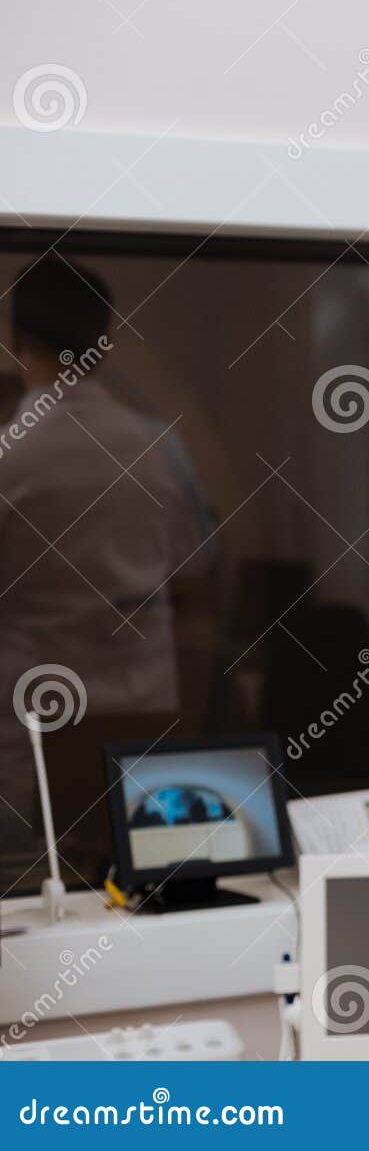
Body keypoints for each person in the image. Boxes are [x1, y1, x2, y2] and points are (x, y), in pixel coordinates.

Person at [0, 255, 216, 892]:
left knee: (36, 905)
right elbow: (197, 581)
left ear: (19, 343)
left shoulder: (12, 459)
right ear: (104, 340)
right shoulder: (160, 447)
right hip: (140, 728)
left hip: (27, 739)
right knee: (138, 902)